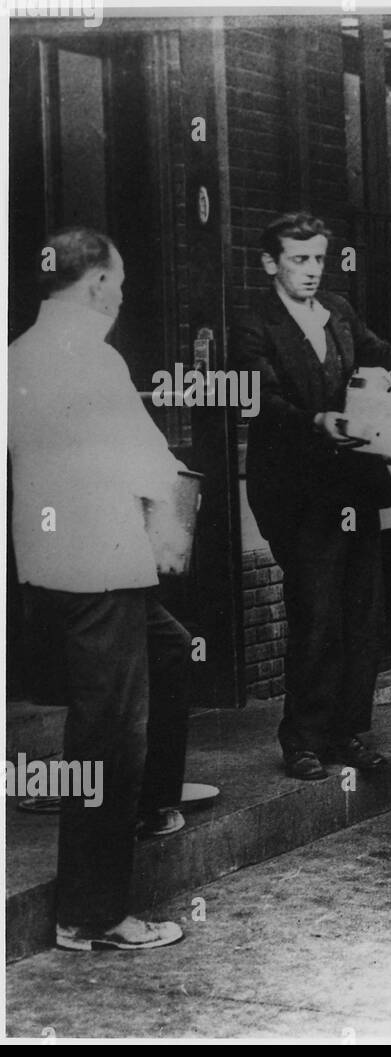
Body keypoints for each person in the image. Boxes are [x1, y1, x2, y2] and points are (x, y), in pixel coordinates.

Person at [9, 226, 188, 951]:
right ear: (97, 285)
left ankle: (150, 806)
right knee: (110, 738)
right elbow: (149, 465)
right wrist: (172, 530)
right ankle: (93, 912)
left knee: (170, 652)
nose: (121, 295)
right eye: (117, 283)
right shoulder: (96, 359)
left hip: (56, 568)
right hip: (105, 567)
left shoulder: (18, 354)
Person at [235, 212, 391, 781]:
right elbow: (258, 399)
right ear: (271, 264)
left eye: (318, 258)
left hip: (352, 490)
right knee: (317, 613)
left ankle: (345, 733)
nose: (312, 271)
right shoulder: (254, 325)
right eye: (299, 259)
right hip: (297, 494)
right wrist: (318, 420)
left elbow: (377, 351)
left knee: (362, 613)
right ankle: (303, 740)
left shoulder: (337, 311)